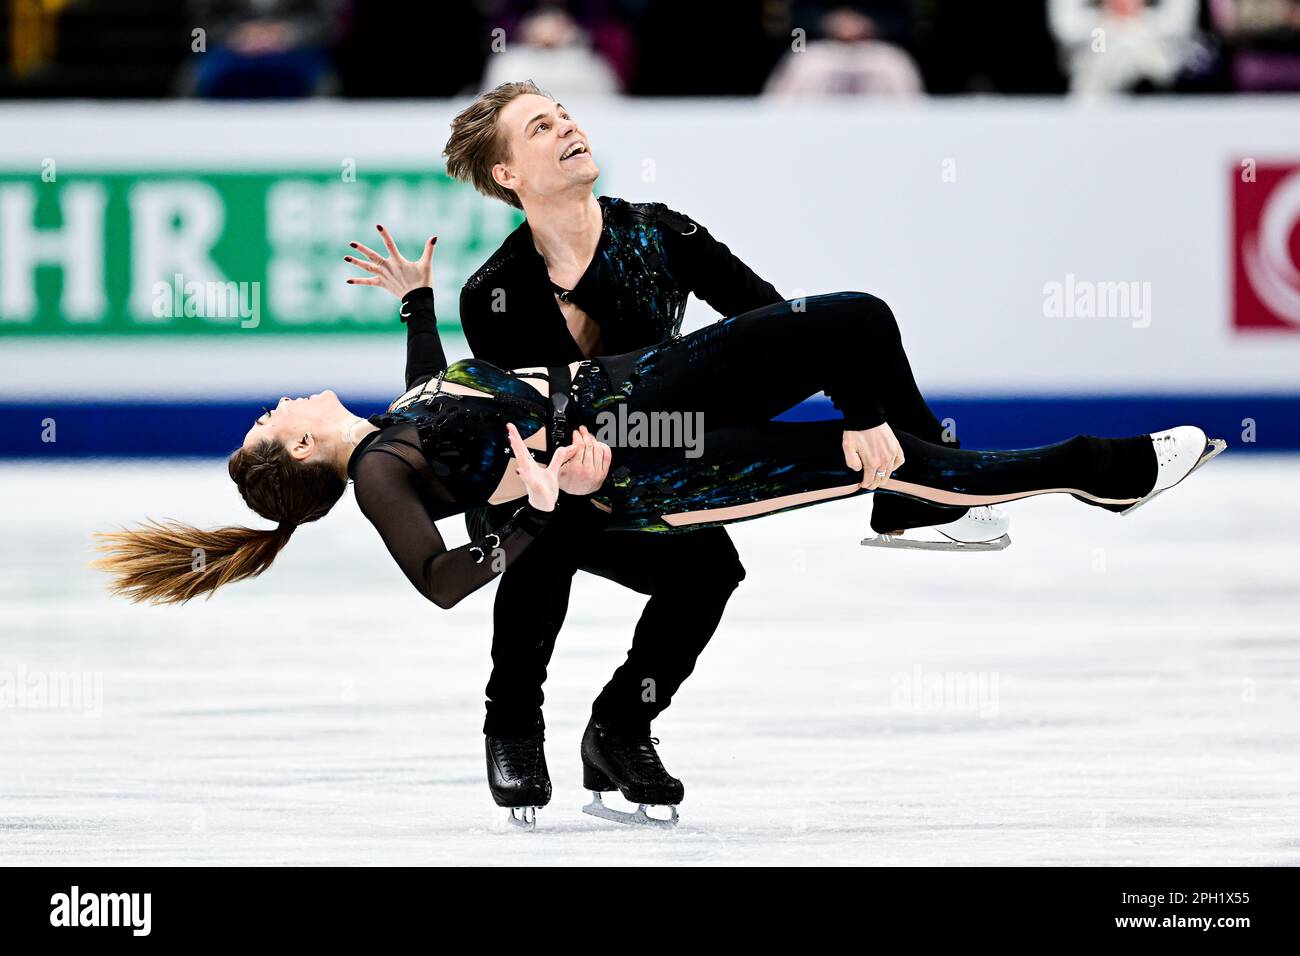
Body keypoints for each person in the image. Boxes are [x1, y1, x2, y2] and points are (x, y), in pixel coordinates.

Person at [90, 227, 1225, 827]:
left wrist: (418, 306)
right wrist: (529, 514)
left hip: (642, 392)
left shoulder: (396, 419)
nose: (280, 400)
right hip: (647, 469)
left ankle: (903, 501)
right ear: (297, 452)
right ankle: (1100, 468)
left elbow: (443, 398)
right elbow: (438, 577)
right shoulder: (382, 466)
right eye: (273, 419)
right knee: (865, 474)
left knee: (850, 323)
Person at [440, 80, 1006, 828]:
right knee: (543, 538)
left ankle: (619, 727)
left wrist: (863, 414)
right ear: (507, 175)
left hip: (666, 444)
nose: (568, 127)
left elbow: (778, 324)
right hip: (560, 467)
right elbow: (540, 420)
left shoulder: (662, 233)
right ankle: (511, 725)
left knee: (709, 572)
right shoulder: (496, 294)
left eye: (565, 114)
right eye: (541, 127)